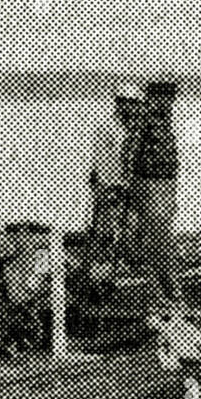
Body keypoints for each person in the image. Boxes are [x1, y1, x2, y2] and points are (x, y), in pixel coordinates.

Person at [125, 79, 183, 307]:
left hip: (163, 183)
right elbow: (131, 152)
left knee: (161, 239)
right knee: (157, 240)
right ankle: (163, 293)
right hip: (151, 183)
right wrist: (131, 183)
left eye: (171, 97)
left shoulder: (161, 118)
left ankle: (168, 292)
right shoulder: (147, 118)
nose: (170, 101)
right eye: (167, 96)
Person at [87, 81, 142, 274]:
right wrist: (108, 185)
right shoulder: (108, 128)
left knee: (130, 227)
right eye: (129, 103)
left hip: (125, 185)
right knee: (106, 229)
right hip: (111, 185)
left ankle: (125, 263)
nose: (133, 108)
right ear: (119, 103)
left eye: (135, 104)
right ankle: (102, 267)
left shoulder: (134, 128)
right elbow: (103, 161)